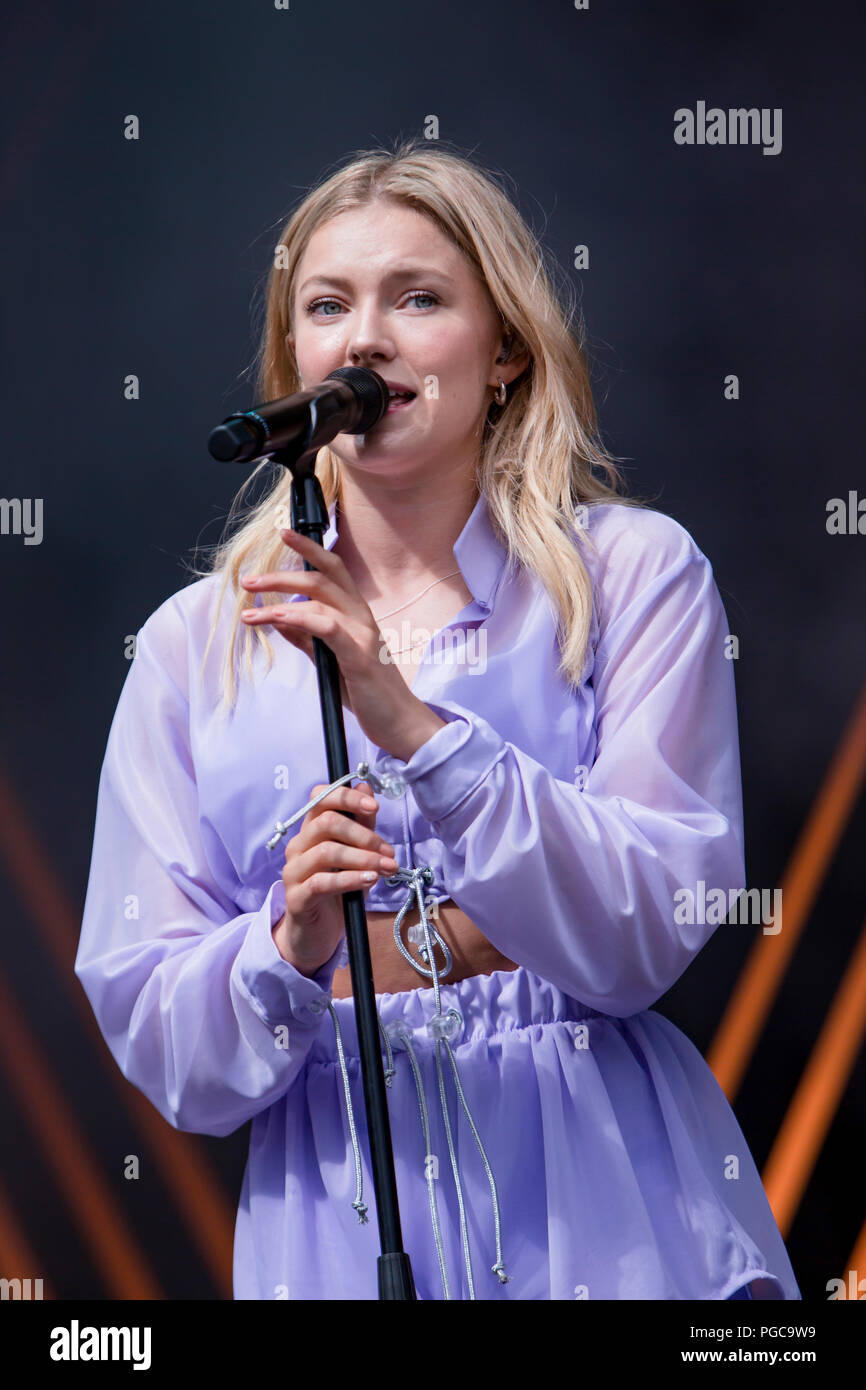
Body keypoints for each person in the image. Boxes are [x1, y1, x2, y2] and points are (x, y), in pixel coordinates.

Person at [75, 138, 801, 1301]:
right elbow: (165, 1046)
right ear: (296, 362)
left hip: (605, 1204)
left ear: (505, 349)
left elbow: (649, 923)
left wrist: (413, 725)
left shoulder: (630, 574)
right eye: (326, 306)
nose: (363, 338)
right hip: (337, 1211)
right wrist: (288, 945)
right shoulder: (191, 646)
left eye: (416, 298)